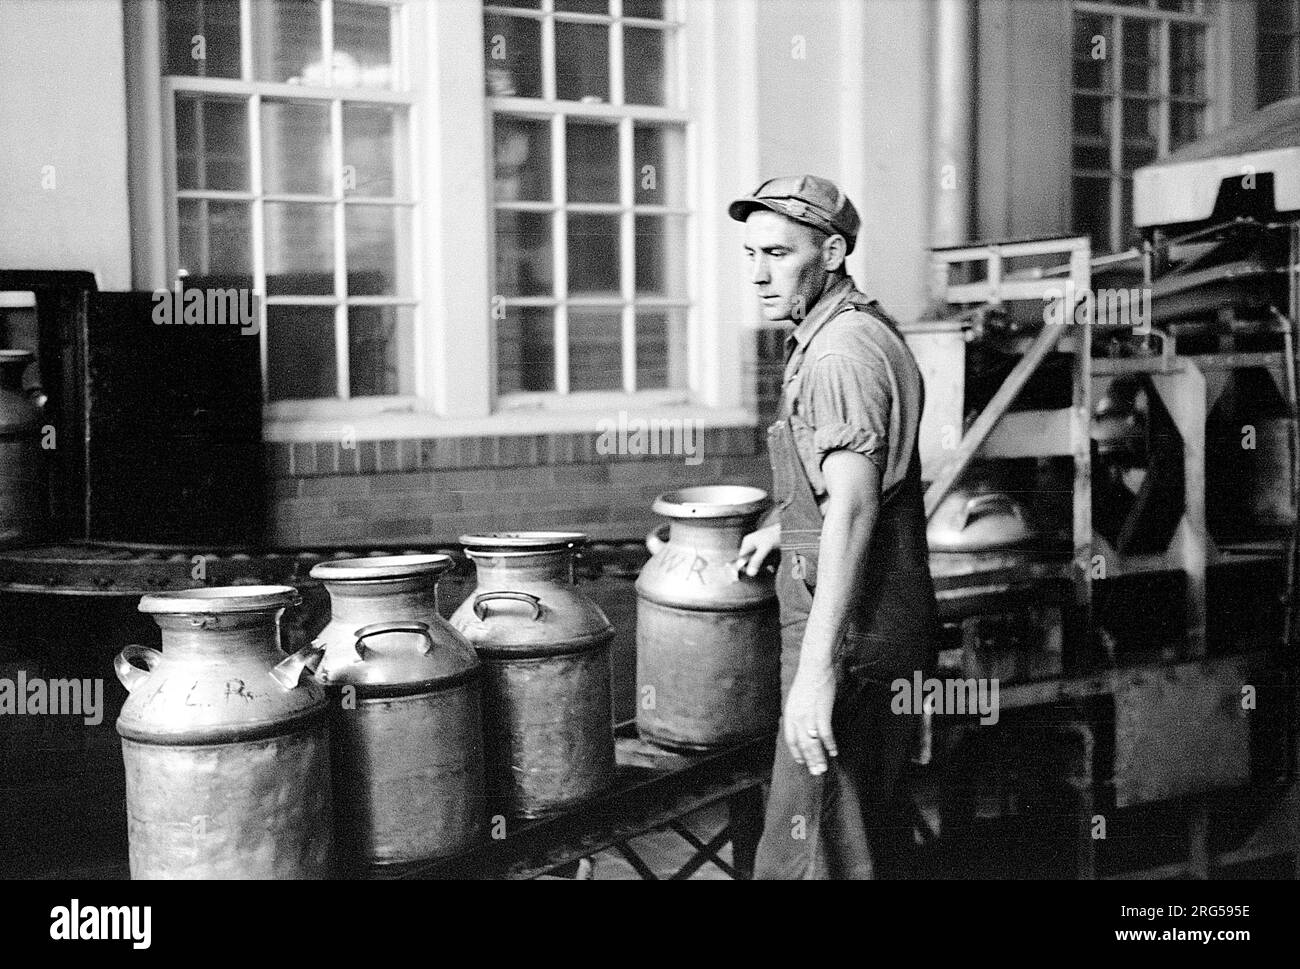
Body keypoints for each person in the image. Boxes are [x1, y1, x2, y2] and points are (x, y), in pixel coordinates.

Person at [730, 174, 937, 879]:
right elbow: (832, 488)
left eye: (779, 253)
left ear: (833, 251)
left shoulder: (840, 352)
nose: (758, 273)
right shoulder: (843, 329)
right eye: (750, 253)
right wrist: (782, 526)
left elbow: (854, 506)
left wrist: (817, 673)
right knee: (857, 843)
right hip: (863, 629)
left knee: (806, 852)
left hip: (851, 637)